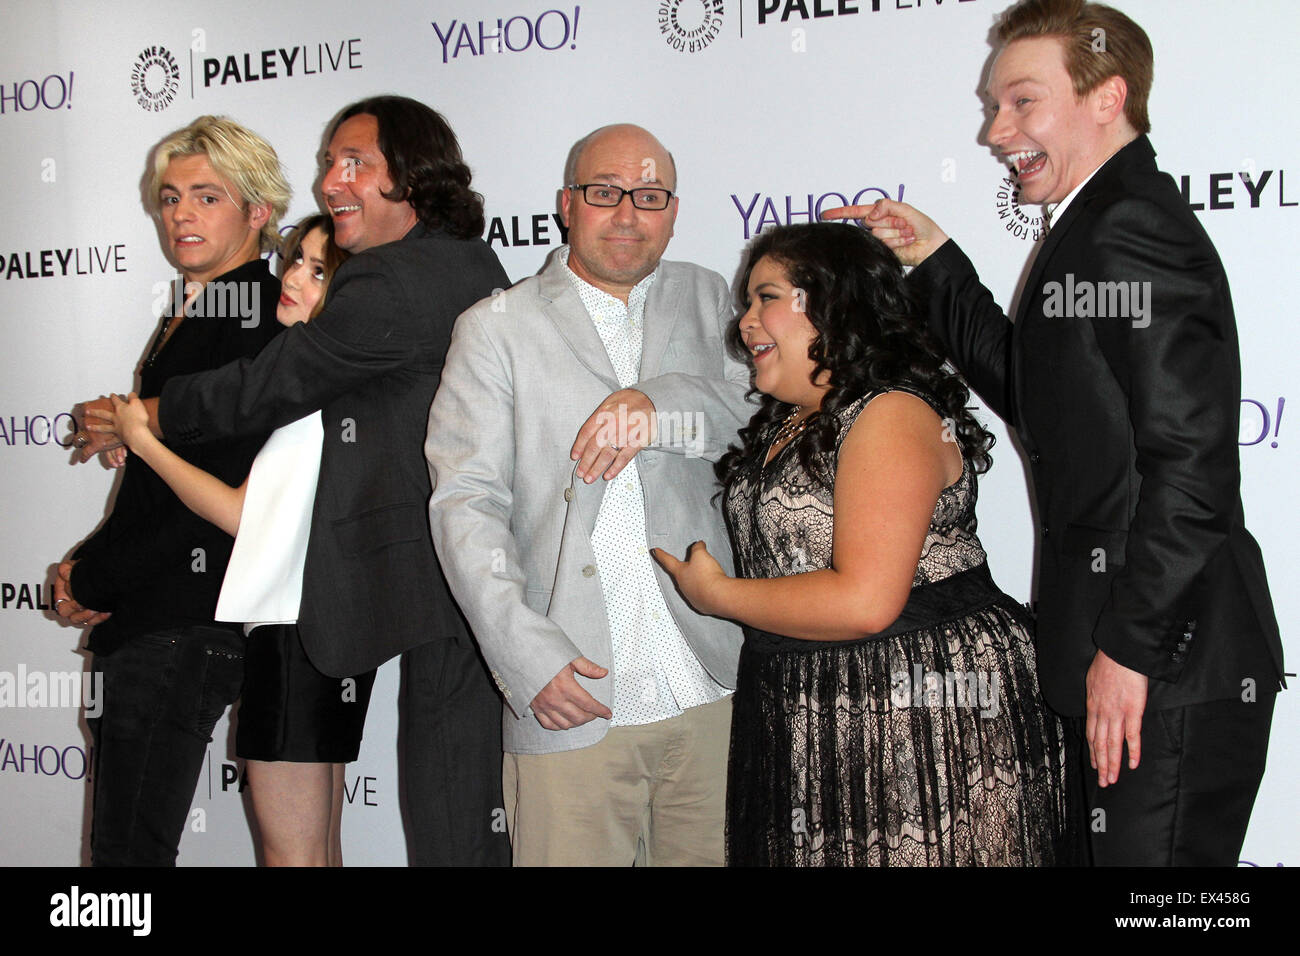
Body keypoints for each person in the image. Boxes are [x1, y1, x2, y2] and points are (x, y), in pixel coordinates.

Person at [824, 0, 1285, 865]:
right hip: (1125, 657)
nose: (996, 132)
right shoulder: (1092, 224)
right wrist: (936, 263)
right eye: (993, 106)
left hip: (1163, 665)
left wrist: (1130, 647)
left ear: (1107, 98)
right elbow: (1035, 395)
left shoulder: (1132, 230)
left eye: (1020, 103)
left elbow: (1192, 469)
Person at [73, 96, 512, 866]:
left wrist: (143, 425)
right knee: (430, 826)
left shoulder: (384, 287)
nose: (332, 181)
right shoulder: (469, 262)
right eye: (327, 164)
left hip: (333, 609)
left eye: (355, 164)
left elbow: (261, 402)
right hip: (425, 586)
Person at [654, 222, 1074, 866]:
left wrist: (720, 597)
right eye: (746, 303)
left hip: (923, 710)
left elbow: (866, 600)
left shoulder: (890, 412)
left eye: (767, 297)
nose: (745, 323)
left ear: (834, 303)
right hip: (812, 705)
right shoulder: (787, 418)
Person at [425, 123, 752, 866]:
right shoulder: (493, 329)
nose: (628, 214)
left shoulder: (714, 299)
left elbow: (762, 423)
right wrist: (525, 657)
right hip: (570, 692)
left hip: (710, 684)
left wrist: (658, 407)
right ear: (566, 205)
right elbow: (465, 507)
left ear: (673, 209)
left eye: (650, 196)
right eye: (605, 194)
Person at [87, 216, 373, 867]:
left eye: (318, 270)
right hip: (318, 639)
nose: (294, 276)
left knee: (293, 855)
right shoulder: (324, 381)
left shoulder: (313, 392)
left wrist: (141, 441)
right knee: (314, 852)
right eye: (296, 260)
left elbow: (240, 515)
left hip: (294, 639)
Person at [53, 115, 290, 865]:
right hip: (157, 622)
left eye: (207, 197)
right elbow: (159, 487)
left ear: (258, 211)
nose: (181, 214)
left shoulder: (251, 316)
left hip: (182, 626)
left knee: (128, 862)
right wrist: (92, 563)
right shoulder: (199, 309)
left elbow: (211, 501)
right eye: (170, 197)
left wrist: (93, 578)